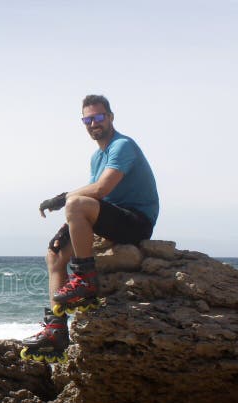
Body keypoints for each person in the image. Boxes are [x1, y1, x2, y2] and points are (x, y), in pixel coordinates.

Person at [21, 94, 159, 361]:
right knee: (54, 253)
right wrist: (66, 230)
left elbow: (100, 190)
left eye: (98, 117)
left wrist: (61, 199)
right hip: (111, 218)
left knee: (75, 203)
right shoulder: (97, 157)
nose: (93, 123)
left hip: (136, 221)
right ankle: (56, 330)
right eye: (87, 120)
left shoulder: (122, 146)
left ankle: (85, 279)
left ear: (110, 117)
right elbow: (93, 201)